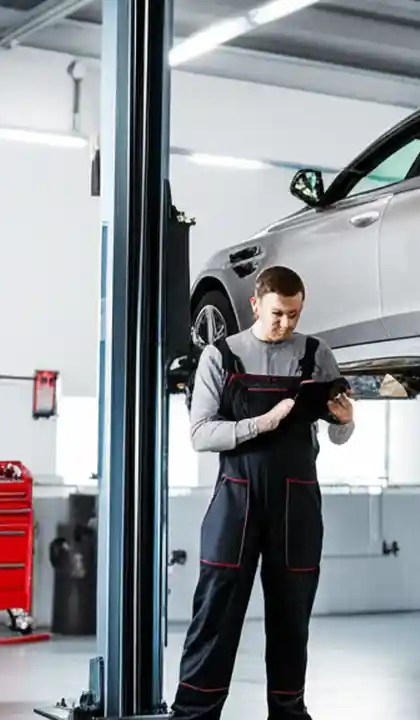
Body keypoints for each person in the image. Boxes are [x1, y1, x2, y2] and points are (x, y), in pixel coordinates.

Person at [171, 265, 354, 720]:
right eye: (277, 314)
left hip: (298, 503)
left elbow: (335, 437)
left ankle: (289, 712)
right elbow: (199, 434)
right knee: (216, 610)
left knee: (292, 616)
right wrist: (263, 423)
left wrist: (346, 420)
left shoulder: (317, 354)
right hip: (236, 498)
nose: (286, 324)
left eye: (294, 314)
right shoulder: (221, 356)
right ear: (256, 304)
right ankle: (194, 712)